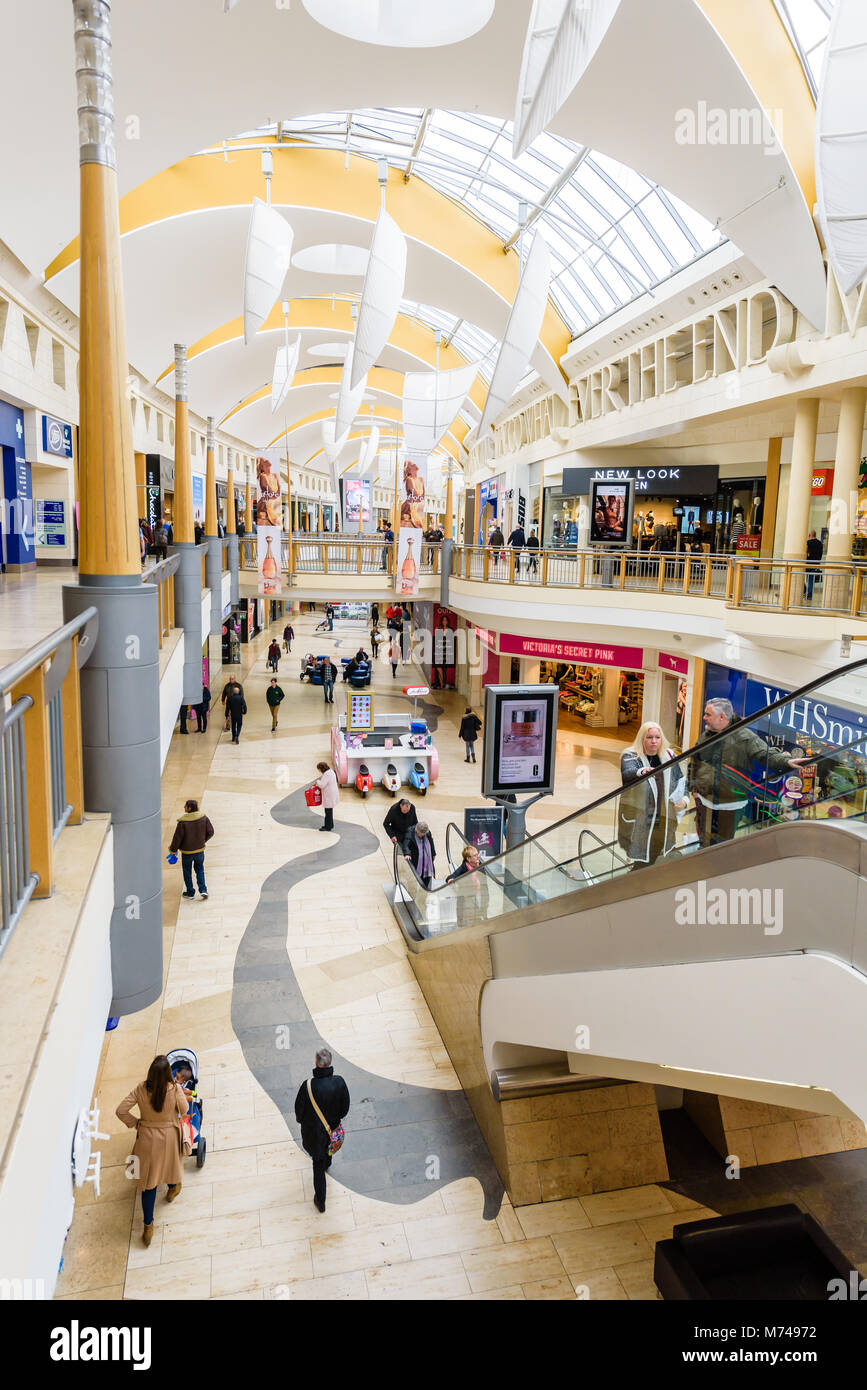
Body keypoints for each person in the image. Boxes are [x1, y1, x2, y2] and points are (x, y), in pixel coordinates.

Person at [688, 697, 806, 849]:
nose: (704, 718)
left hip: (731, 804)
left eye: (708, 714)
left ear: (722, 717)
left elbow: (765, 754)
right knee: (704, 842)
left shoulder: (745, 737)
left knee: (722, 848)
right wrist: (693, 788)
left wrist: (786, 762)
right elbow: (695, 762)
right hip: (704, 801)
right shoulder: (706, 735)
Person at [116, 1056, 190, 1246]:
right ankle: (173, 1189)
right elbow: (185, 1108)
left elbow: (120, 1110)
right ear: (168, 1074)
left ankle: (148, 1226)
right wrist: (177, 1088)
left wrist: (137, 1123)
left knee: (149, 1184)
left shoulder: (141, 1088)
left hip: (147, 1140)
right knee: (171, 1165)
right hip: (169, 1137)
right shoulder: (173, 1089)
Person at [618, 723, 689, 867]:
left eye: (657, 737)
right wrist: (642, 771)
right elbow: (627, 773)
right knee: (642, 858)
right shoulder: (631, 756)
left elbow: (681, 781)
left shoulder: (669, 756)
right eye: (649, 737)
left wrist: (685, 800)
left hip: (663, 818)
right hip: (641, 819)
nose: (654, 741)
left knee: (658, 854)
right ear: (641, 739)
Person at [293, 1047, 350, 1213]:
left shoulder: (308, 1085)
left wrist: (304, 1121)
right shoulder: (339, 1082)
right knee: (328, 1151)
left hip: (314, 1135)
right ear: (330, 1062)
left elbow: (299, 1111)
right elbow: (344, 1109)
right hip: (332, 1130)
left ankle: (321, 1200)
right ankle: (328, 1161)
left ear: (316, 1064)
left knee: (317, 1164)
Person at [169, 797, 214, 899]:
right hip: (199, 851)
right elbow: (211, 832)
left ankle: (190, 892)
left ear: (189, 808)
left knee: (187, 871)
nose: (184, 807)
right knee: (200, 870)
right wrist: (202, 841)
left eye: (185, 806)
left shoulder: (182, 823)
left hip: (187, 853)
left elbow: (177, 839)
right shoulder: (204, 818)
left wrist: (173, 850)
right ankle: (203, 890)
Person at [405, 821, 436, 889]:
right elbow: (406, 845)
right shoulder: (410, 832)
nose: (422, 835)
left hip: (426, 862)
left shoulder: (427, 832)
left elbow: (431, 842)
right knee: (414, 881)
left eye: (423, 834)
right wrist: (407, 853)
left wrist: (433, 853)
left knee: (426, 881)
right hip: (416, 859)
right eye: (420, 834)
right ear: (416, 830)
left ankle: (425, 891)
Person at [313, 760, 339, 831]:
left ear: (321, 768)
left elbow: (322, 785)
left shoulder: (326, 774)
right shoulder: (331, 771)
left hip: (329, 795)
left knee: (328, 811)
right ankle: (330, 825)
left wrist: (317, 781)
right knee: (329, 811)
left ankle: (327, 827)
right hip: (332, 793)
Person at [805, 530, 823, 601]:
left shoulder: (808, 543)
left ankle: (807, 592)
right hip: (816, 563)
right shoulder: (820, 543)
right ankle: (809, 594)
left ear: (809, 535)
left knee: (799, 577)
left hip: (808, 563)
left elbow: (807, 552)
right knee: (811, 580)